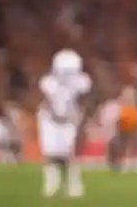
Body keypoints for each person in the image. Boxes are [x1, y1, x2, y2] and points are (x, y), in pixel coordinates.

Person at [37, 48, 92, 198]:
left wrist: (82, 118)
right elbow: (45, 101)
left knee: (70, 154)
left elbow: (85, 101)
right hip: (51, 120)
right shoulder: (48, 82)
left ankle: (74, 184)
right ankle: (51, 183)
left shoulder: (82, 82)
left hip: (71, 120)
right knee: (51, 154)